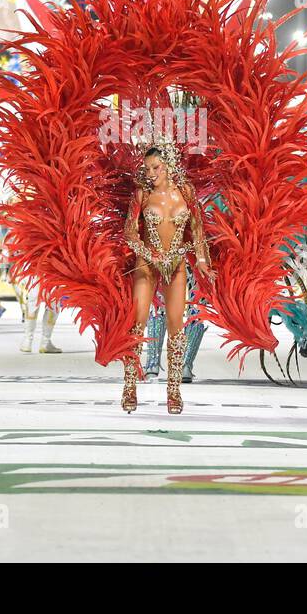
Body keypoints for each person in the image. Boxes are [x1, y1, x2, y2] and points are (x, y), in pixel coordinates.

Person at [122, 143, 213, 414]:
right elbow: (130, 233)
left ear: (170, 165)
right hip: (146, 265)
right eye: (147, 168)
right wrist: (148, 254)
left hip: (176, 265)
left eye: (156, 167)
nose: (150, 173)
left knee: (177, 328)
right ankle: (129, 387)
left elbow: (197, 229)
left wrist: (202, 260)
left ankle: (173, 392)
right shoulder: (141, 194)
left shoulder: (186, 192)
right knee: (137, 326)